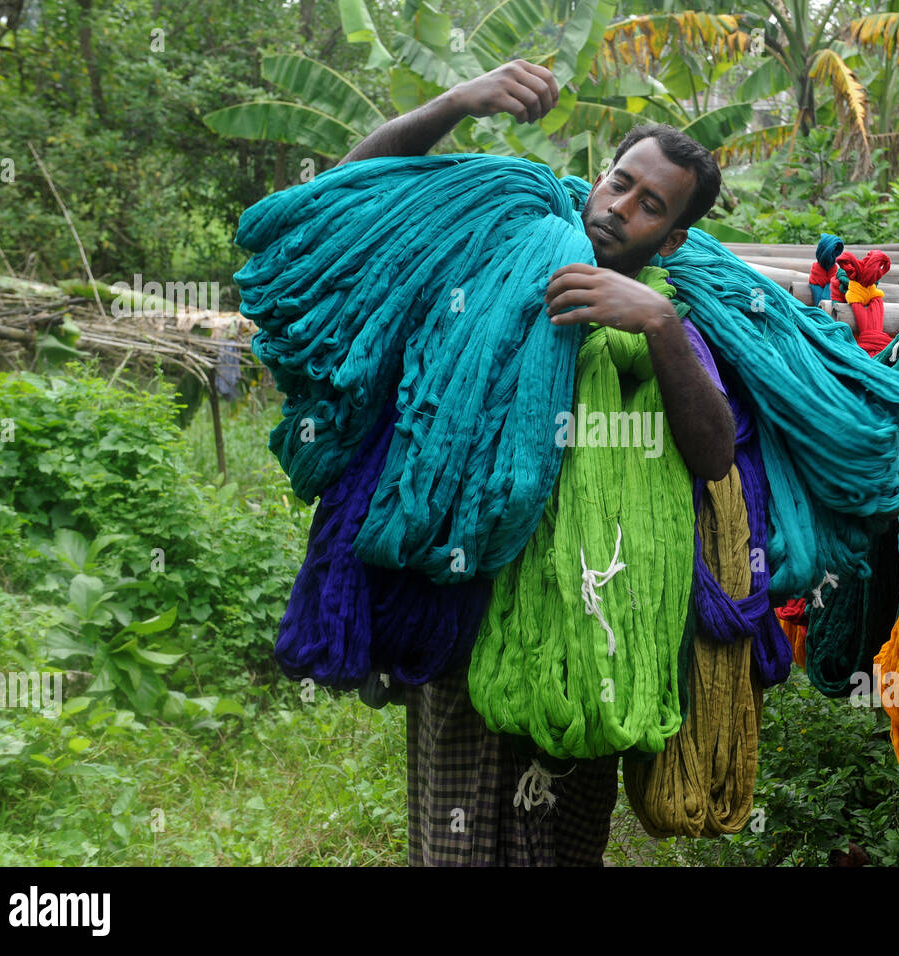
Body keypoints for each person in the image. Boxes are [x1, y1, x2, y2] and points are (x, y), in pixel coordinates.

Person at [339, 59, 735, 865]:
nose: (621, 209)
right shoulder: (501, 241)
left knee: (559, 845)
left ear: (675, 234)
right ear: (599, 175)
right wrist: (458, 102)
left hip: (591, 626)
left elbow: (714, 451)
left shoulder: (671, 317)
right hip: (465, 600)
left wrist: (656, 324)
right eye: (619, 183)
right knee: (451, 841)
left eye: (650, 204)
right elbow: (349, 192)